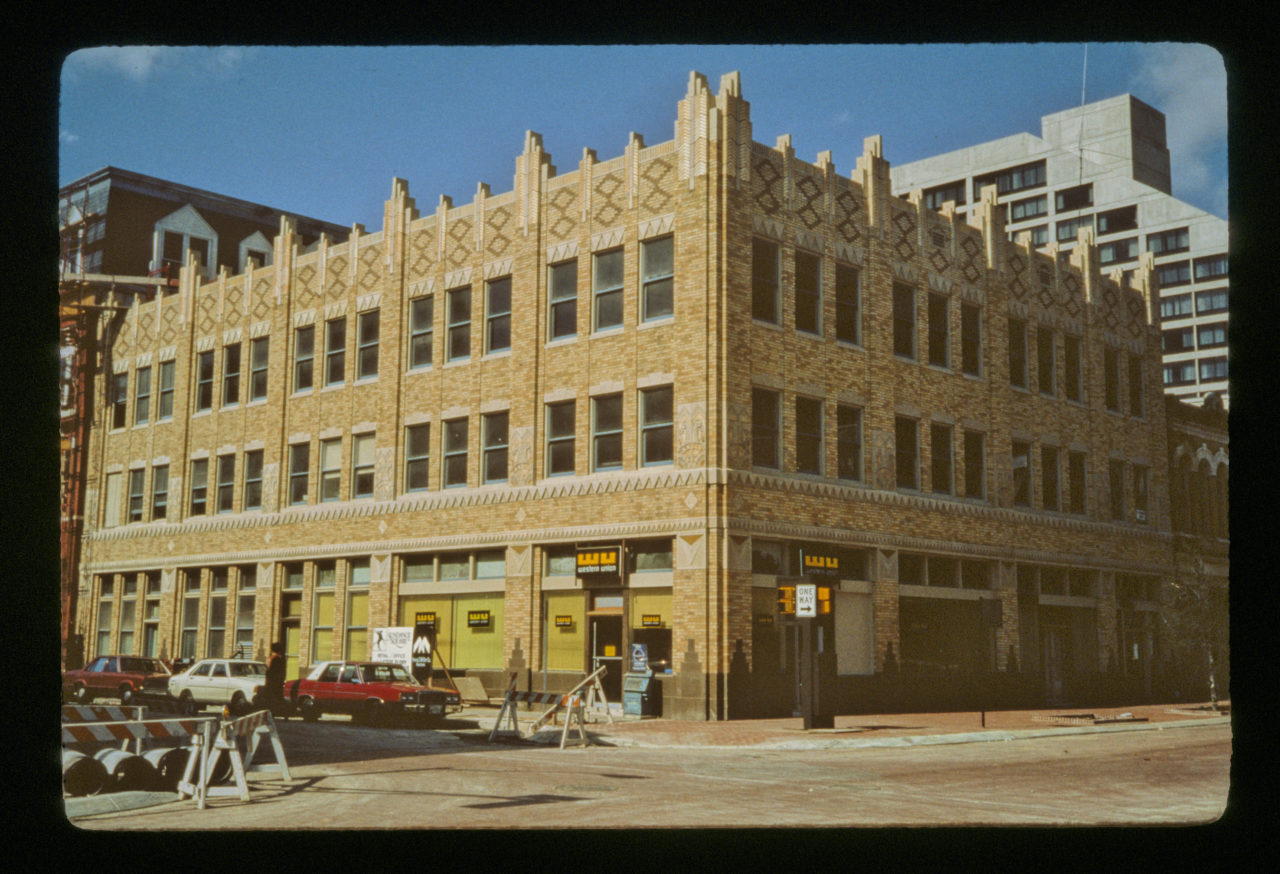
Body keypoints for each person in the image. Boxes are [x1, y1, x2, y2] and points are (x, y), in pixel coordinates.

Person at [263, 641, 286, 715]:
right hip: (279, 681)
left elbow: (269, 671)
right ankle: (283, 712)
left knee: (271, 698)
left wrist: (267, 679)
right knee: (279, 697)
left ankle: (272, 712)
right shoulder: (282, 659)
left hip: (272, 682)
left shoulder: (273, 658)